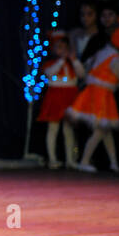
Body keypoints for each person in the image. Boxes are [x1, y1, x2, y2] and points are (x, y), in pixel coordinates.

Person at [66, 21, 119, 172]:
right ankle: (84, 160)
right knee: (100, 131)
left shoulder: (103, 52)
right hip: (101, 95)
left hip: (96, 92)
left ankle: (113, 162)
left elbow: (88, 67)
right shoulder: (116, 59)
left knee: (106, 131)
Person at [37, 30, 85, 169]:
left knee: (68, 129)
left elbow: (82, 74)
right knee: (53, 128)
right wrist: (62, 60)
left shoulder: (72, 64)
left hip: (70, 96)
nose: (62, 50)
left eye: (64, 47)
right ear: (53, 48)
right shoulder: (50, 63)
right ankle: (52, 159)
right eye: (58, 47)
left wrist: (74, 60)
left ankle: (70, 159)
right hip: (55, 96)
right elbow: (49, 73)